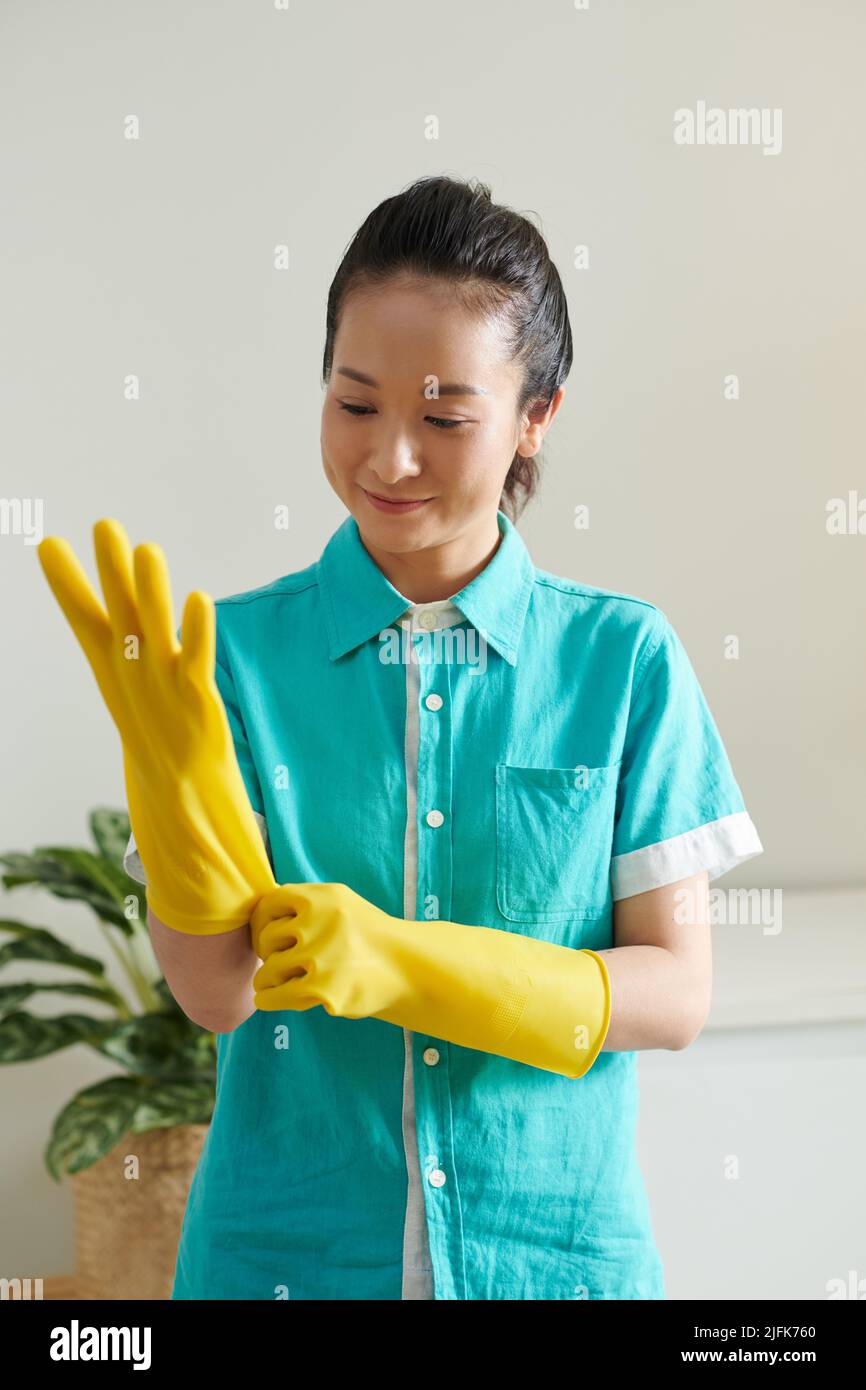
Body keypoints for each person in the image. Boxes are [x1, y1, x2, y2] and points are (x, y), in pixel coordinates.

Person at [42, 175, 763, 1300]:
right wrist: (168, 765)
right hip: (281, 1258)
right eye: (353, 402)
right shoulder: (224, 659)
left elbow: (672, 995)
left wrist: (399, 963)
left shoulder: (622, 661)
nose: (387, 459)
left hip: (554, 1260)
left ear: (536, 415)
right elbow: (214, 993)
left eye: (442, 418)